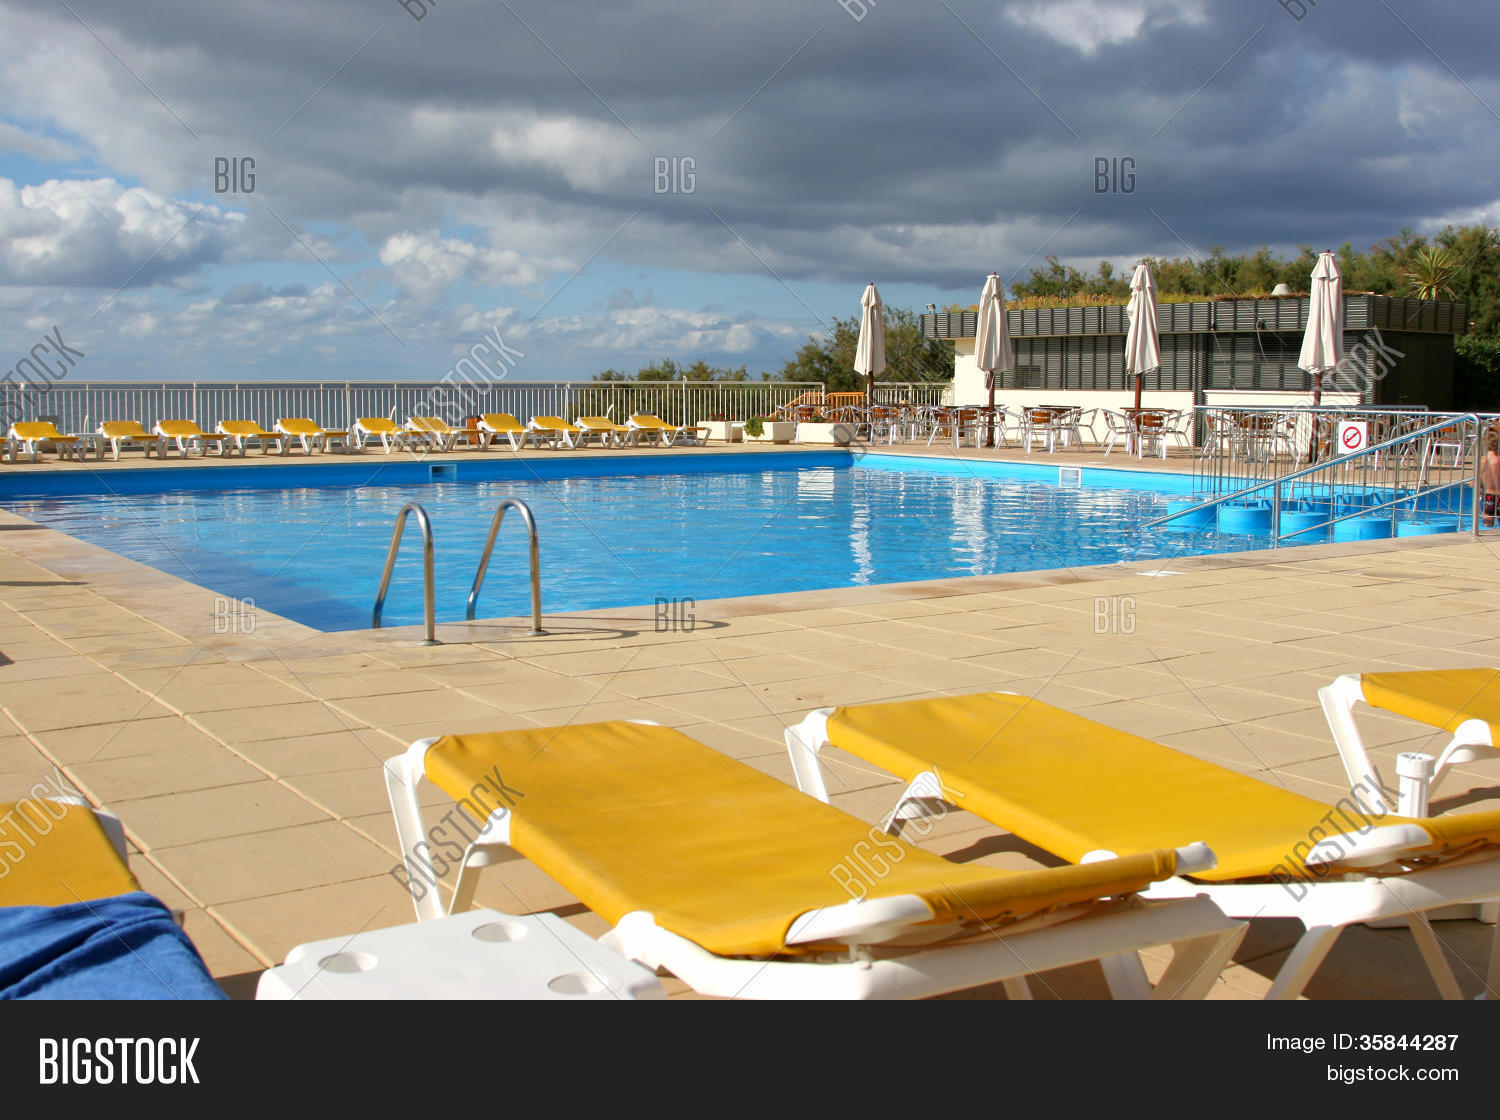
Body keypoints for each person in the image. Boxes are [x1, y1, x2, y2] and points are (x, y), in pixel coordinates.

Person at [1482, 433, 1500, 527]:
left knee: (1487, 523)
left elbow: (1473, 482)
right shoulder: (1498, 460)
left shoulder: (1482, 461)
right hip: (1499, 494)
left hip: (1488, 495)